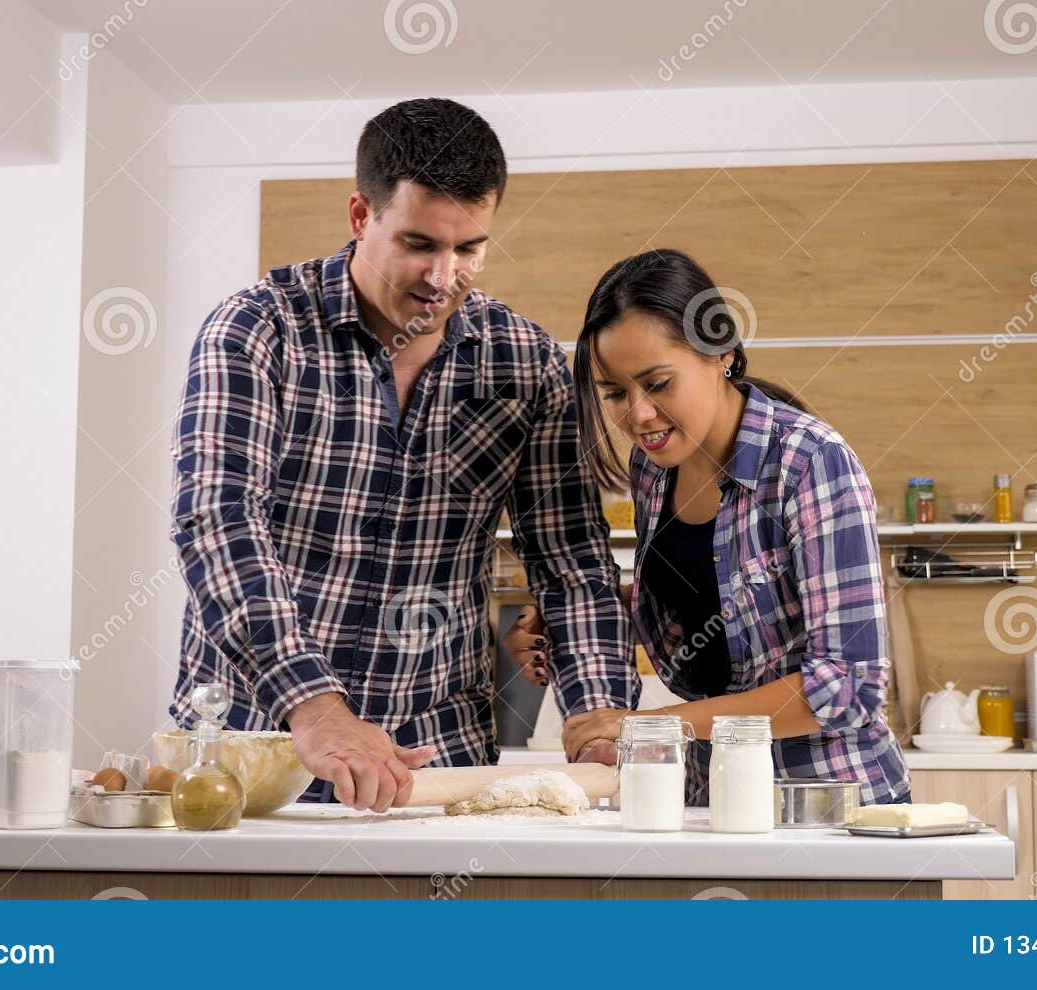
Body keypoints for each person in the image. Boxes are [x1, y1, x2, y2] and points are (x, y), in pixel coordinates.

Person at [170, 98, 633, 812]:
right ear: (362, 216)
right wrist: (316, 705)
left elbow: (572, 558)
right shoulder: (259, 331)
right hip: (258, 746)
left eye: (470, 248)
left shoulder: (526, 363)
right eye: (420, 243)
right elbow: (219, 521)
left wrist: (598, 710)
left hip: (437, 760)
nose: (444, 277)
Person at [506, 248, 910, 806]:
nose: (639, 415)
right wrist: (572, 622)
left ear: (720, 351)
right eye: (616, 394)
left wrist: (651, 724)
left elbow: (847, 686)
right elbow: (715, 598)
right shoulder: (653, 468)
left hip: (827, 803)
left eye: (658, 383)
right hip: (712, 795)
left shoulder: (810, 462)